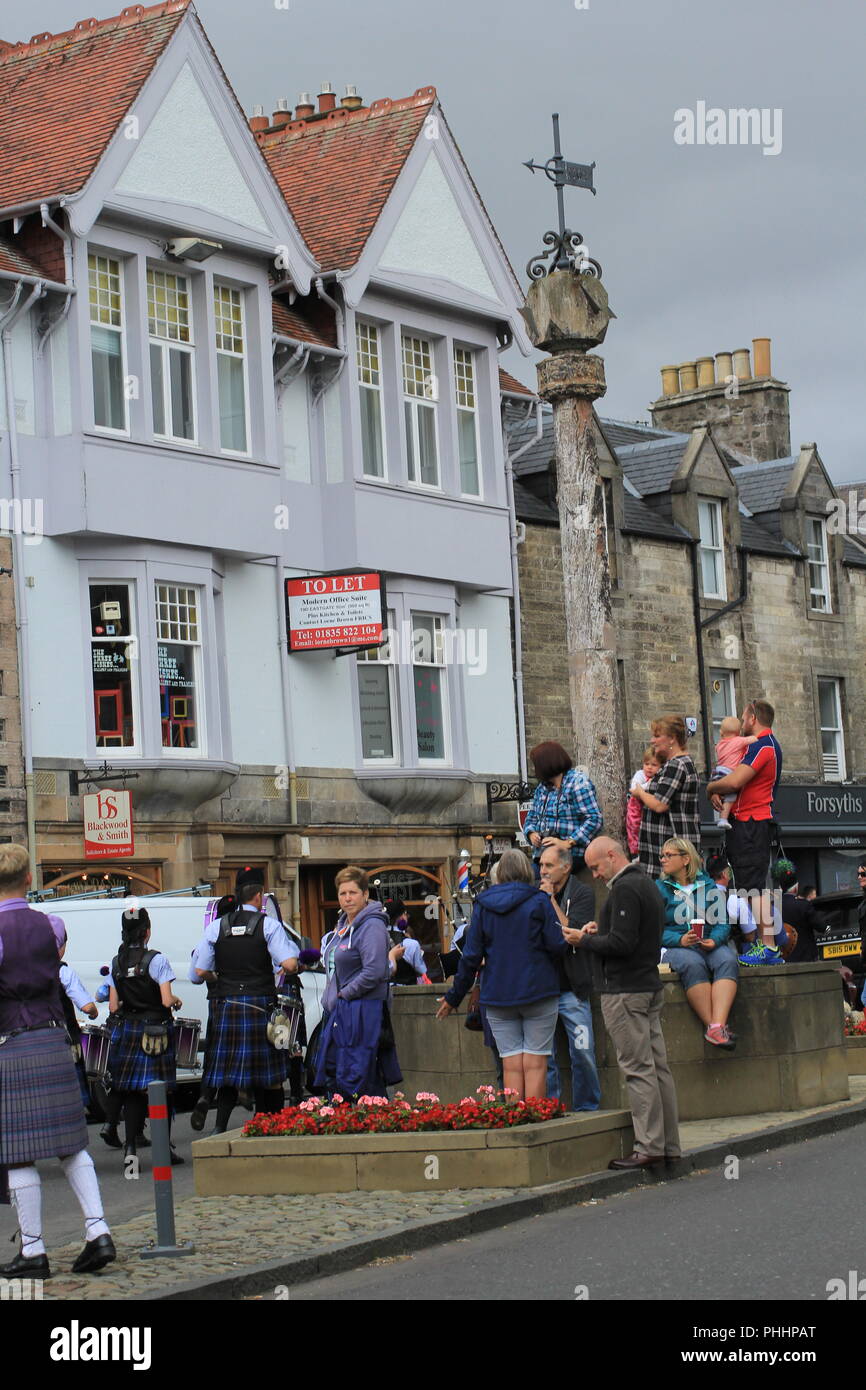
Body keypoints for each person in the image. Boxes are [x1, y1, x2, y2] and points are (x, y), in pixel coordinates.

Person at [0, 844, 115, 1279]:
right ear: (29, 879)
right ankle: (98, 1231)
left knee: (18, 1155)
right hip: (53, 1039)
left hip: (11, 1045)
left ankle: (33, 1251)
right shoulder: (52, 925)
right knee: (73, 1145)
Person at [567, 836, 680, 1168]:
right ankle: (668, 1146)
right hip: (647, 986)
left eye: (596, 867)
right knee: (659, 1069)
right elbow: (634, 933)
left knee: (638, 1070)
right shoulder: (647, 884)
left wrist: (584, 939)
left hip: (625, 991)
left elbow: (622, 943)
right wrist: (600, 928)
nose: (596, 875)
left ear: (612, 856)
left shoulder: (625, 888)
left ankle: (648, 1147)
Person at [436, 848, 565, 1100]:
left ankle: (516, 1120)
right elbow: (557, 945)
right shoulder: (539, 901)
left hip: (497, 994)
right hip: (538, 989)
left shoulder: (483, 906)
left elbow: (470, 957)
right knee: (536, 1063)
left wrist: (454, 997)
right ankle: (535, 1120)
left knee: (511, 1063)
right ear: (528, 871)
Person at [190, 880, 299, 1134]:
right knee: (269, 1075)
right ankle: (269, 1125)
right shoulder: (269, 925)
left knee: (228, 1070)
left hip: (228, 1006)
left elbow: (200, 970)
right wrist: (287, 965)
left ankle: (219, 1129)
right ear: (259, 896)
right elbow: (291, 964)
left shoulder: (216, 927)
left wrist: (221, 980)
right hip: (261, 1003)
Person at [313, 867, 401, 1099]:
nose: (347, 898)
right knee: (340, 1071)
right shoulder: (343, 925)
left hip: (362, 1008)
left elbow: (374, 971)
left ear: (364, 894)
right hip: (343, 1009)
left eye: (353, 892)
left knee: (356, 1074)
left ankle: (368, 1125)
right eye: (342, 893)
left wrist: (345, 995)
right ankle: (355, 1124)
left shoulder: (372, 925)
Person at [107, 906, 183, 1160]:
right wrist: (176, 1000)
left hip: (129, 1029)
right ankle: (164, 1152)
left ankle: (130, 1150)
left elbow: (113, 1006)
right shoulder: (156, 960)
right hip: (156, 1031)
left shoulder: (115, 962)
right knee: (163, 1091)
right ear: (147, 931)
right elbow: (165, 1000)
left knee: (132, 1092)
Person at [656, 839, 739, 1047]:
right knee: (693, 964)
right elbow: (653, 930)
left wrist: (715, 939)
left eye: (668, 855)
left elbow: (722, 921)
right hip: (676, 946)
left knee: (728, 959)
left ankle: (717, 1026)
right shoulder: (659, 888)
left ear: (685, 859)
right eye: (662, 856)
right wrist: (679, 939)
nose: (663, 860)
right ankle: (715, 1028)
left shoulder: (708, 885)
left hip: (707, 942)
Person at [538, 844, 601, 1111]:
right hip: (543, 988)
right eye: (541, 865)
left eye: (549, 866)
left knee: (583, 1052)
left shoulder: (582, 893)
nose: (543, 871)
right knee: (546, 1058)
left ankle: (587, 1109)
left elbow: (573, 934)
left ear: (566, 867)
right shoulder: (534, 894)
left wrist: (550, 900)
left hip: (573, 987)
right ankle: (550, 1110)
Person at [708, 700, 782, 893]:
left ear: (753, 719)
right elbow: (730, 775)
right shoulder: (753, 746)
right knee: (745, 890)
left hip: (751, 823)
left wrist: (710, 788)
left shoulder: (764, 745)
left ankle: (763, 925)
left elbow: (734, 781)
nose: (741, 724)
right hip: (744, 823)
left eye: (743, 718)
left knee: (751, 892)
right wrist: (718, 790)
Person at [632, 716, 700, 879]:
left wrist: (640, 792)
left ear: (672, 739)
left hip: (672, 850)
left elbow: (660, 805)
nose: (652, 740)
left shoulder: (677, 765)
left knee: (672, 899)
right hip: (669, 848)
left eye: (657, 736)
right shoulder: (680, 763)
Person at [523, 741, 603, 878]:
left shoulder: (577, 782)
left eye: (536, 765)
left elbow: (594, 819)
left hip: (570, 854)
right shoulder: (542, 789)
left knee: (534, 880)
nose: (534, 769)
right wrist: (531, 833)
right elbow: (530, 819)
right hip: (542, 854)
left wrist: (567, 842)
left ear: (546, 764)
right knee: (522, 877)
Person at [711, 716, 758, 829]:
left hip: (717, 772)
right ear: (739, 732)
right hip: (728, 772)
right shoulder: (738, 741)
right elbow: (754, 740)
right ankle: (723, 819)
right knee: (730, 797)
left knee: (721, 796)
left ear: (721, 732)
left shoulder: (719, 745)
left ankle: (720, 815)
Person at [626, 747, 663, 857]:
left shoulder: (659, 777)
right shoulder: (640, 774)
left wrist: (641, 788)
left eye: (654, 765)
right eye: (647, 764)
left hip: (649, 810)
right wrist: (650, 784)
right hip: (636, 810)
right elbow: (633, 789)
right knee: (634, 831)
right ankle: (635, 853)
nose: (649, 767)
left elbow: (639, 789)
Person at [384, 898, 430, 985]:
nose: (407, 916)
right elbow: (422, 970)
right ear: (402, 917)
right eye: (405, 914)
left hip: (383, 993)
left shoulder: (376, 941)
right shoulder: (411, 944)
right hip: (408, 993)